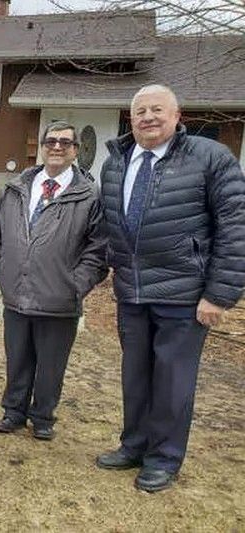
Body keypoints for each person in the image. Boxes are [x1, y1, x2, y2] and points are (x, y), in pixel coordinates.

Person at [95, 84, 245, 492]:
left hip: (184, 294)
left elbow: (235, 228)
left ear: (178, 116)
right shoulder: (116, 162)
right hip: (133, 293)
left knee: (173, 380)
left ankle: (164, 458)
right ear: (131, 119)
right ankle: (134, 445)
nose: (148, 117)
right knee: (136, 377)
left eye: (157, 109)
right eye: (140, 111)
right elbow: (111, 226)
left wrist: (219, 293)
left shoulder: (210, 158)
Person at [0, 120, 107, 440]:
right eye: (51, 141)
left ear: (75, 151)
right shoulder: (16, 189)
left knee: (50, 365)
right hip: (17, 293)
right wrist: (0, 267)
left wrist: (75, 285)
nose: (57, 147)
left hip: (60, 298)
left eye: (65, 143)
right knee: (18, 357)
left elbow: (98, 250)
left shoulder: (88, 196)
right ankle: (13, 412)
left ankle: (43, 417)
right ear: (42, 145)